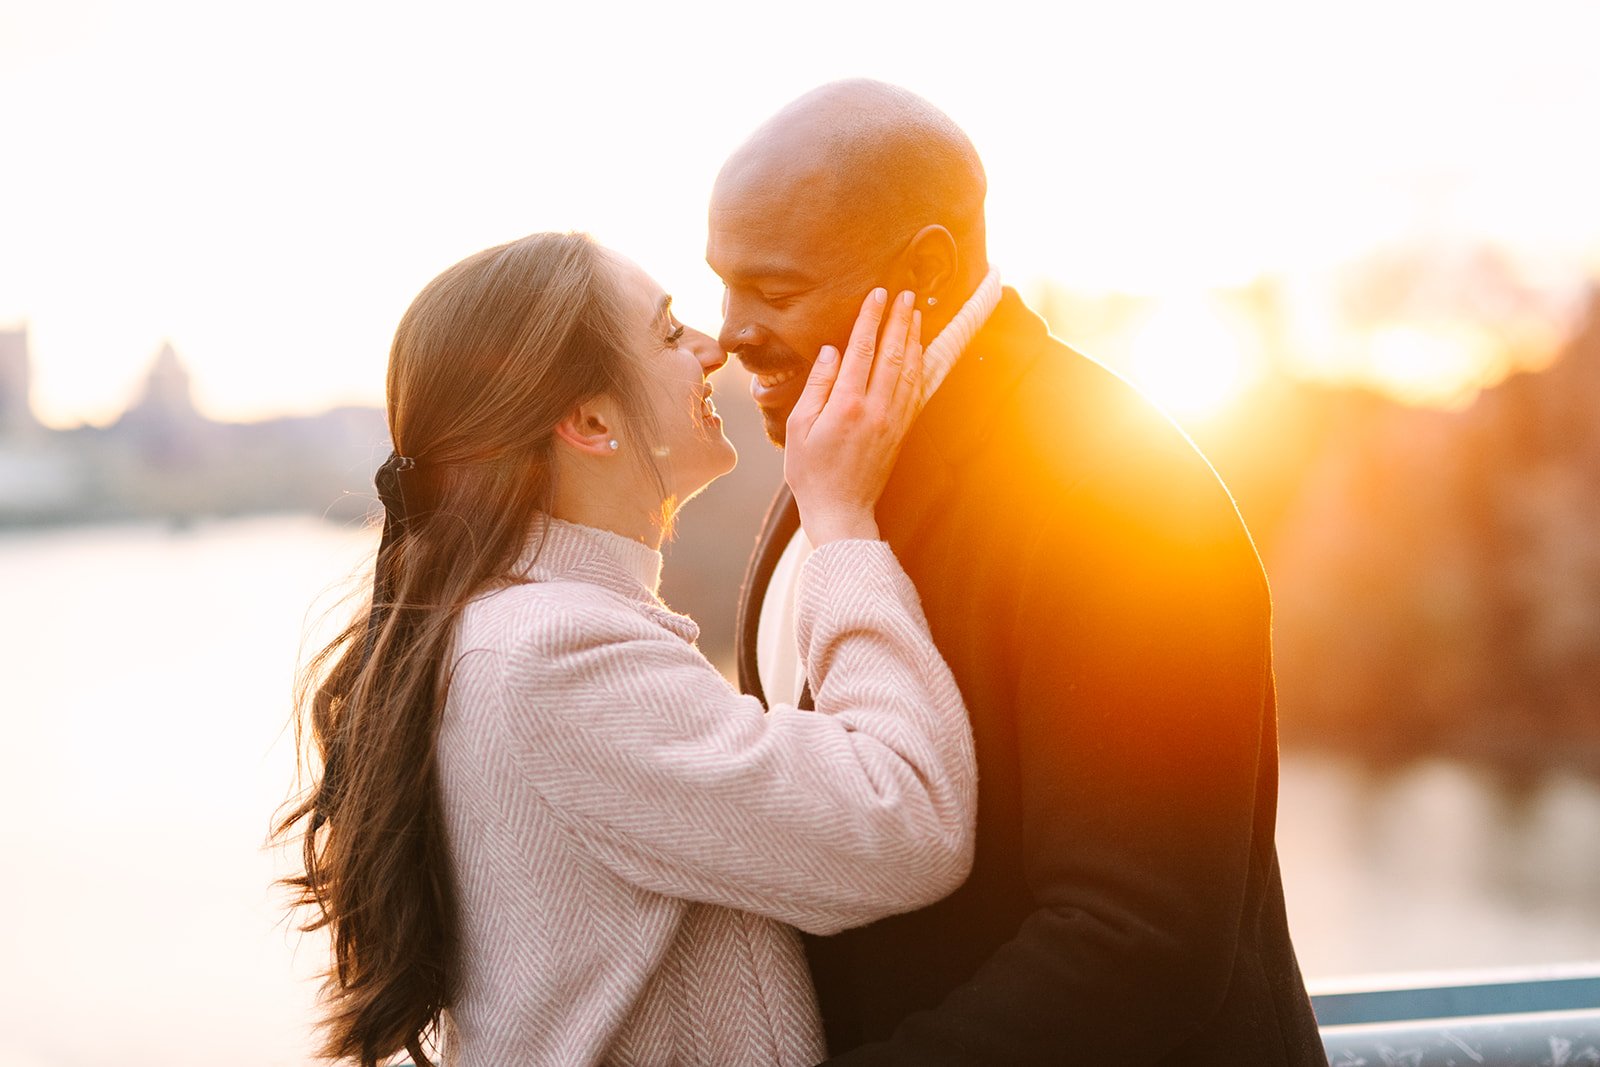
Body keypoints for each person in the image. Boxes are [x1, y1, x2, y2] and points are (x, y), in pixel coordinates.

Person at [709, 80, 1328, 1065]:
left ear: (924, 270)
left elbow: (1138, 942)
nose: (726, 336)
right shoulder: (831, 459)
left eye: (775, 292)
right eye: (724, 286)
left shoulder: (1116, 487)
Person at [275, 231, 978, 1066]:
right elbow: (908, 820)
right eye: (671, 332)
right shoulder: (553, 655)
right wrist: (840, 517)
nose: (714, 348)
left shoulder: (503, 630)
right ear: (589, 421)